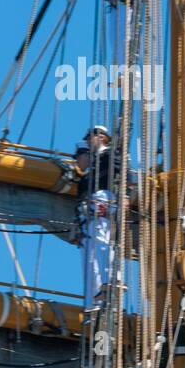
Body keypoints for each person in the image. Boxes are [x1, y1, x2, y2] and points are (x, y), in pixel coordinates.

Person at [76, 125, 136, 309]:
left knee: (104, 247)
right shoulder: (91, 169)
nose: (87, 141)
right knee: (91, 257)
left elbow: (125, 175)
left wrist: (125, 197)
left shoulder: (110, 155)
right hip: (88, 215)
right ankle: (94, 298)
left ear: (101, 137)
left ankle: (112, 283)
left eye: (90, 138)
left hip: (103, 207)